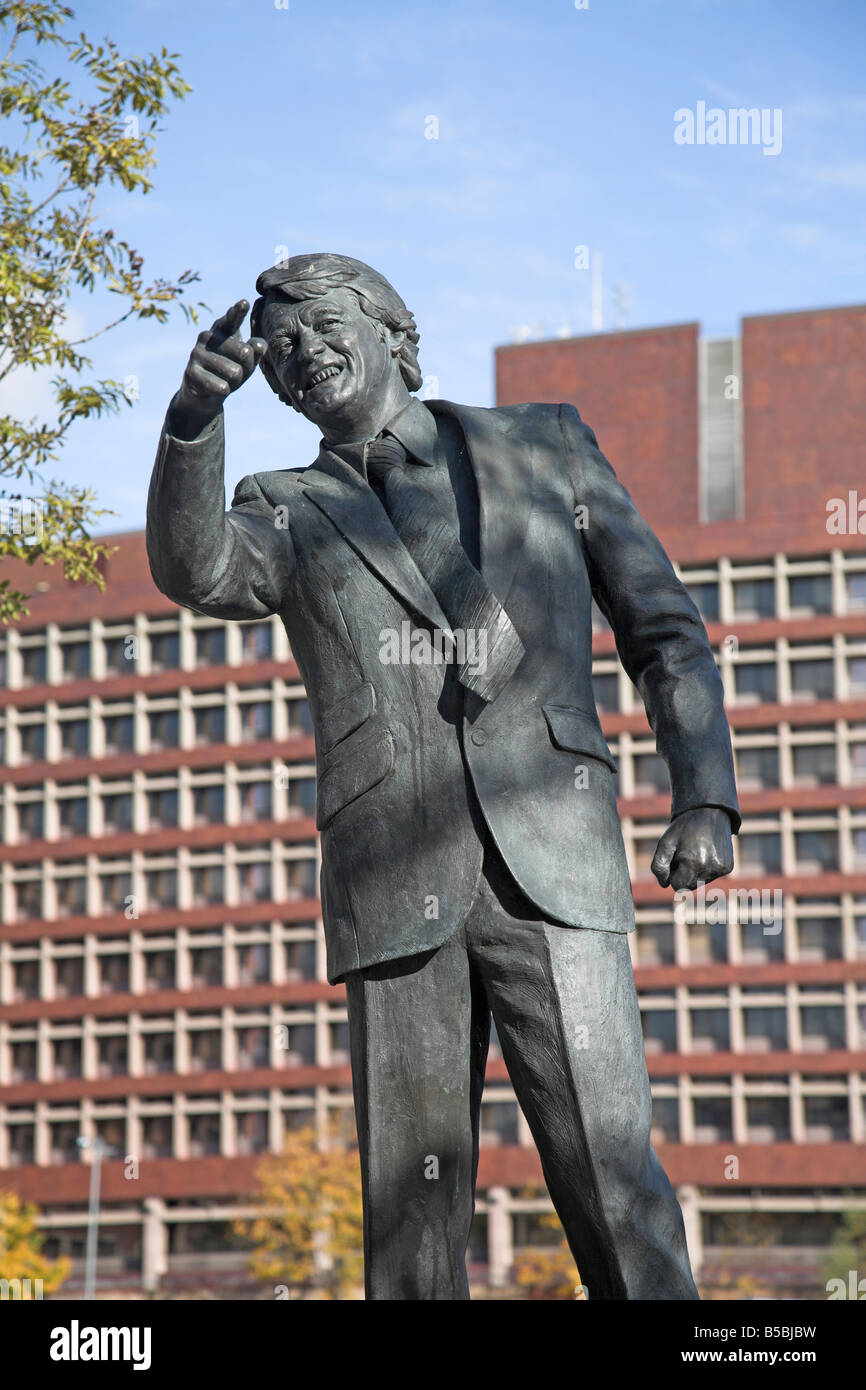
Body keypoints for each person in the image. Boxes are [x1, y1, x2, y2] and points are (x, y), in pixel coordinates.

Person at [146, 253, 739, 1300]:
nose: (299, 353)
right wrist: (193, 420)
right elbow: (195, 568)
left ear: (389, 328)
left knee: (614, 1183)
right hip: (391, 884)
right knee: (409, 1224)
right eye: (278, 348)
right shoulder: (281, 505)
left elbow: (662, 630)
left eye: (322, 323)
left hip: (552, 861)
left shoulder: (542, 447)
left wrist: (701, 793)